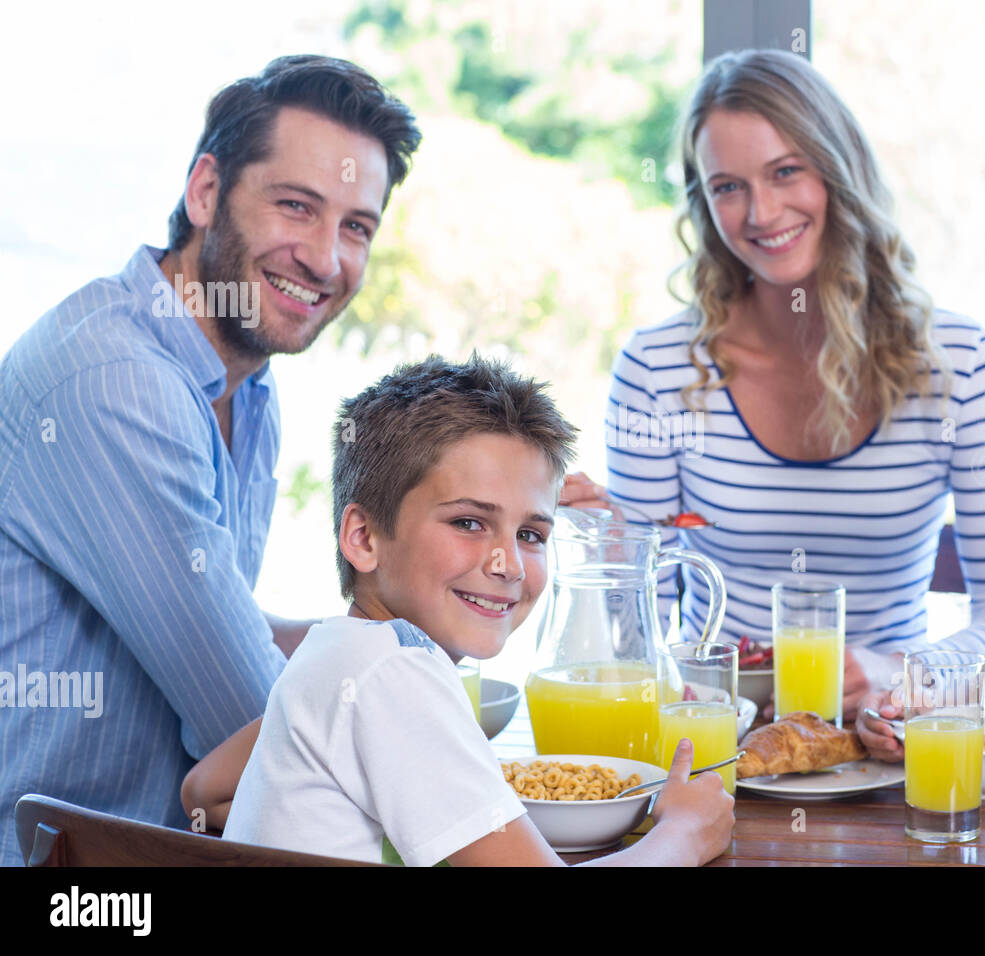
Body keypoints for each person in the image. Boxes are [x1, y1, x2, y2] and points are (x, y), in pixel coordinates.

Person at [0, 55, 421, 865]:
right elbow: (258, 724)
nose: (327, 259)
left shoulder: (244, 380)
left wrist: (405, 641)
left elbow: (211, 618)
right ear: (205, 192)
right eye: (296, 207)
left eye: (357, 227)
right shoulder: (117, 384)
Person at [563, 49, 985, 755]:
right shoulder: (658, 368)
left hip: (890, 746)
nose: (761, 213)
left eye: (786, 171)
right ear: (702, 203)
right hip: (716, 747)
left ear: (839, 173)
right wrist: (614, 568)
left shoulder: (961, 365)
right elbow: (642, 642)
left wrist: (903, 673)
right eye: (727, 186)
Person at [183, 355, 735, 866]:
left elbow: (204, 789)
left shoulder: (336, 649)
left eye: (530, 533)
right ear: (363, 537)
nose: (509, 563)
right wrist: (685, 831)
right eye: (469, 522)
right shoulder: (396, 674)